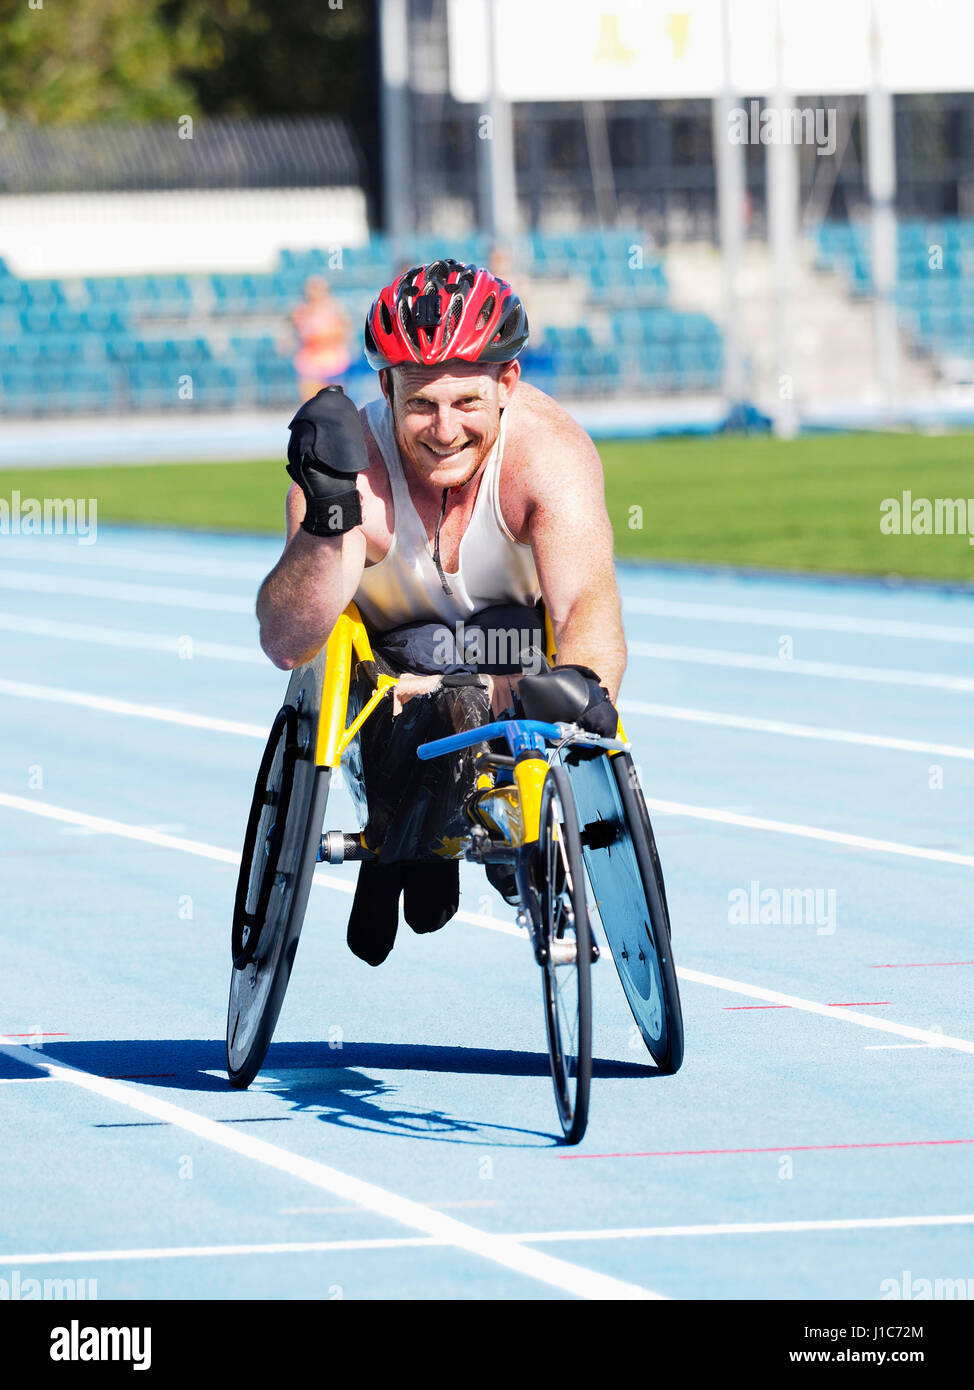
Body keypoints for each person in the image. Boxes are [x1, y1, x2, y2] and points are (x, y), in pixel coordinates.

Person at [257, 258, 624, 965]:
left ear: (507, 384)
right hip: (387, 670)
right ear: (386, 387)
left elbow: (586, 600)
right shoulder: (350, 464)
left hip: (512, 650)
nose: (444, 430)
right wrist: (328, 522)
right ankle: (398, 840)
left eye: (466, 403)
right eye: (421, 404)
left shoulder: (549, 454)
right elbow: (286, 640)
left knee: (501, 652)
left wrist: (583, 683)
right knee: (427, 651)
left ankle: (491, 844)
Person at [290, 275, 352, 402]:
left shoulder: (335, 309)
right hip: (311, 363)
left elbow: (342, 332)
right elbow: (301, 335)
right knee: (311, 403)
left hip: (333, 361)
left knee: (336, 402)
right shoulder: (302, 311)